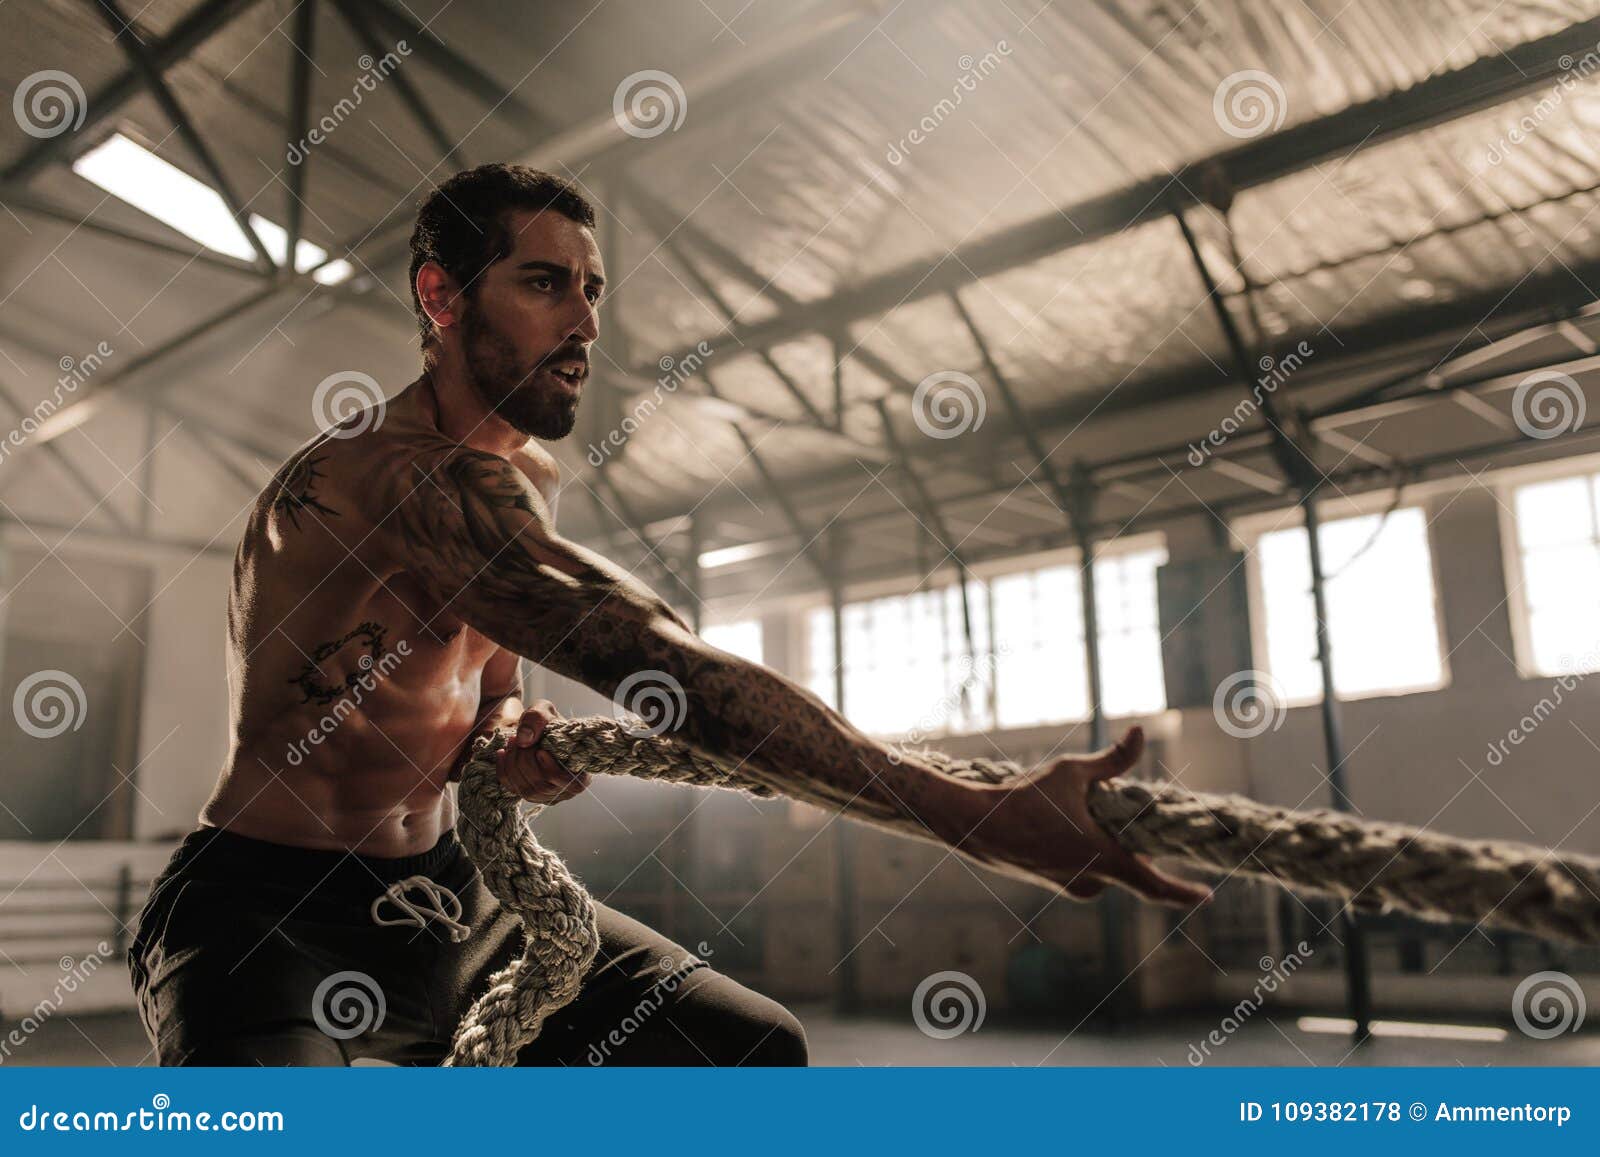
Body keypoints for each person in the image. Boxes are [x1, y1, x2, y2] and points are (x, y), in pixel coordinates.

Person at [128, 163, 1211, 1067]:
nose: (586, 322)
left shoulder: (527, 476)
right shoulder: (385, 480)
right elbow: (655, 659)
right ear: (441, 297)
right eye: (544, 283)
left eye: (592, 289)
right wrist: (967, 812)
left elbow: (490, 685)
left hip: (450, 893)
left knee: (749, 1052)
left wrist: (507, 738)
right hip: (268, 914)